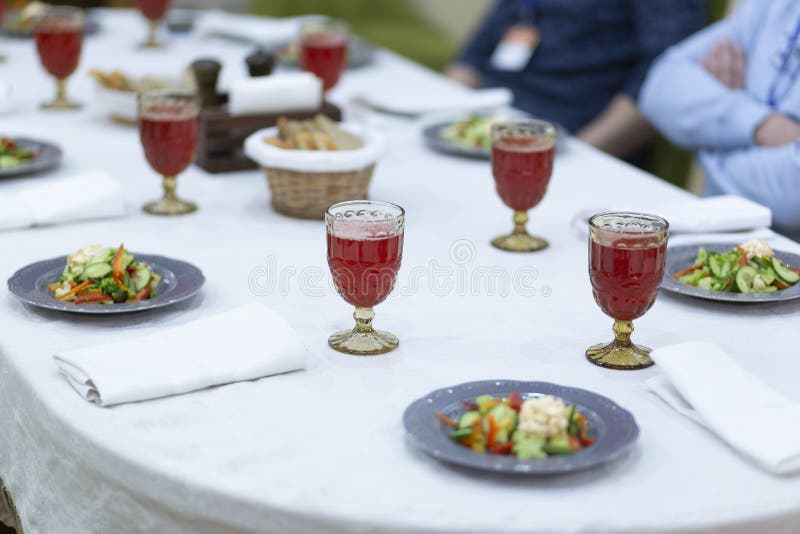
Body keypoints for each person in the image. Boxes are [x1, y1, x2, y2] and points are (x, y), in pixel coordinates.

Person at [445, 0, 706, 160]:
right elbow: (472, 59)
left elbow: (663, 80)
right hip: (486, 133)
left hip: (568, 143)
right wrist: (447, 125)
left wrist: (574, 155)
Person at [640, 0, 800, 239]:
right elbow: (659, 87)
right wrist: (759, 125)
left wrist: (709, 138)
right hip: (709, 240)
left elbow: (791, 198)